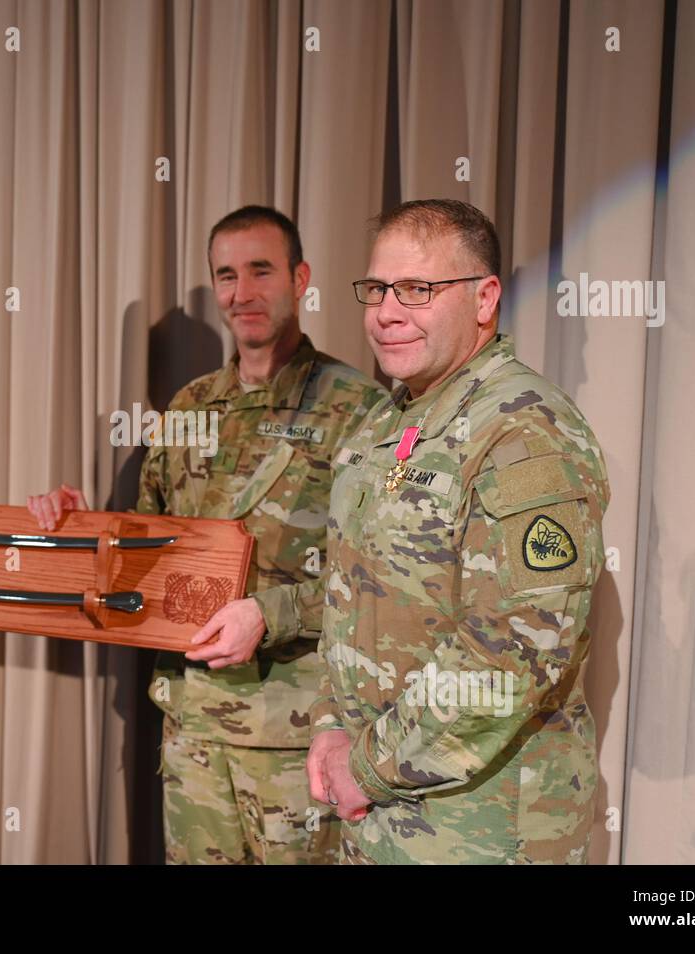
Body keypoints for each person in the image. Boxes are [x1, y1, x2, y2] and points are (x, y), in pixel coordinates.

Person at [205, 198, 610, 863]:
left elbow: (511, 652)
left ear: (484, 298)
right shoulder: (386, 424)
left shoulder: (524, 431)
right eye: (378, 289)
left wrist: (366, 766)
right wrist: (332, 724)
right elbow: (357, 594)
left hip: (479, 831)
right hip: (378, 816)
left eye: (418, 289)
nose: (387, 312)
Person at [28, 206, 384, 863]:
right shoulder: (190, 407)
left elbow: (383, 579)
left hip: (296, 736)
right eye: (226, 275)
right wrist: (82, 525)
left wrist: (271, 614)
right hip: (192, 728)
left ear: (300, 278)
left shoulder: (358, 408)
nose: (242, 292)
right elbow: (147, 545)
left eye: (261, 271)